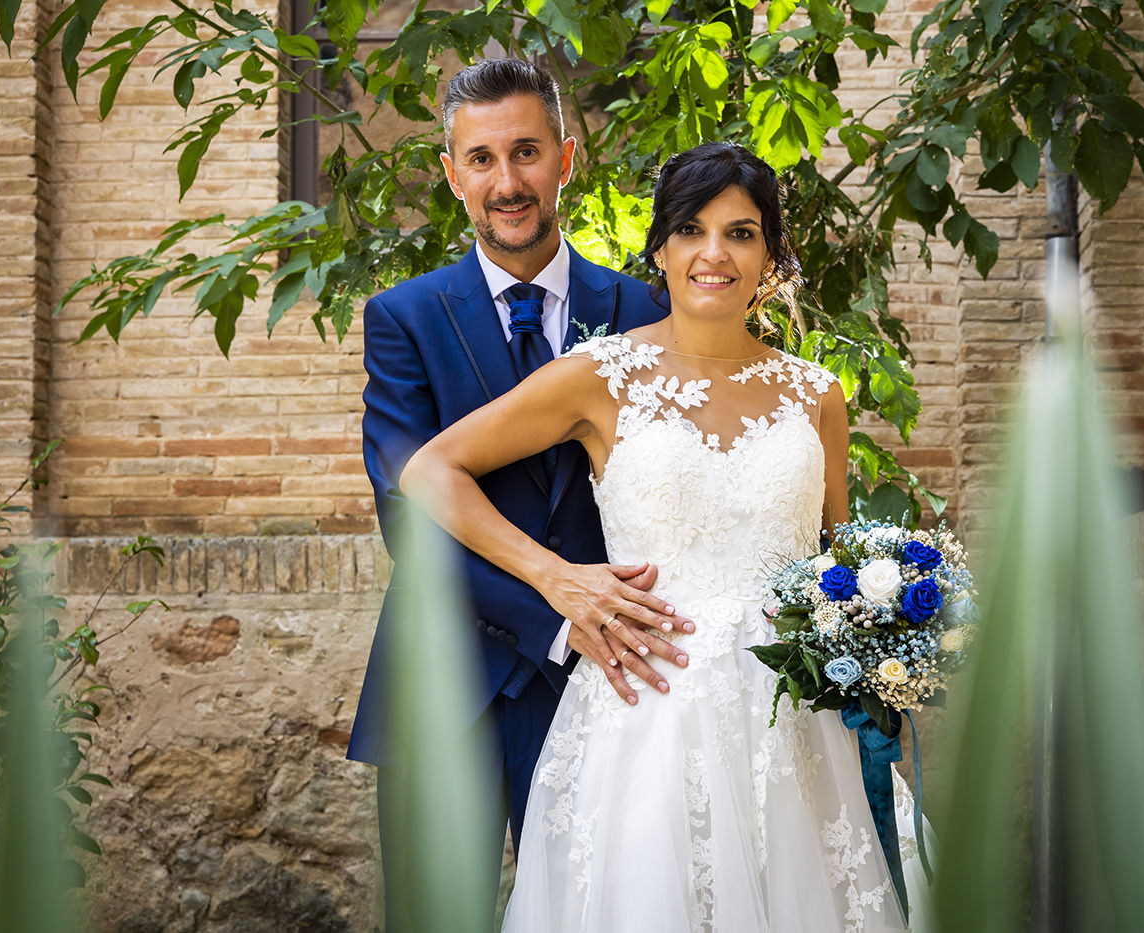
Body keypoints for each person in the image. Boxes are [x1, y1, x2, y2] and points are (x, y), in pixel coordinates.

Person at [402, 141, 914, 930]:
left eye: (742, 233)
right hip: (649, 713)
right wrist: (554, 577)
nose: (715, 254)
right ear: (663, 247)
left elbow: (837, 563)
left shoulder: (817, 395)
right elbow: (430, 471)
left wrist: (893, 630)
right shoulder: (599, 376)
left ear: (772, 253)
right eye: (691, 230)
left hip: (793, 730)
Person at [344, 58, 687, 928]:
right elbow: (408, 516)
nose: (509, 181)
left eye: (527, 152)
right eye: (484, 159)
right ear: (454, 174)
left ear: (567, 159)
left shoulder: (645, 309)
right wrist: (558, 606)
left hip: (606, 689)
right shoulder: (403, 318)